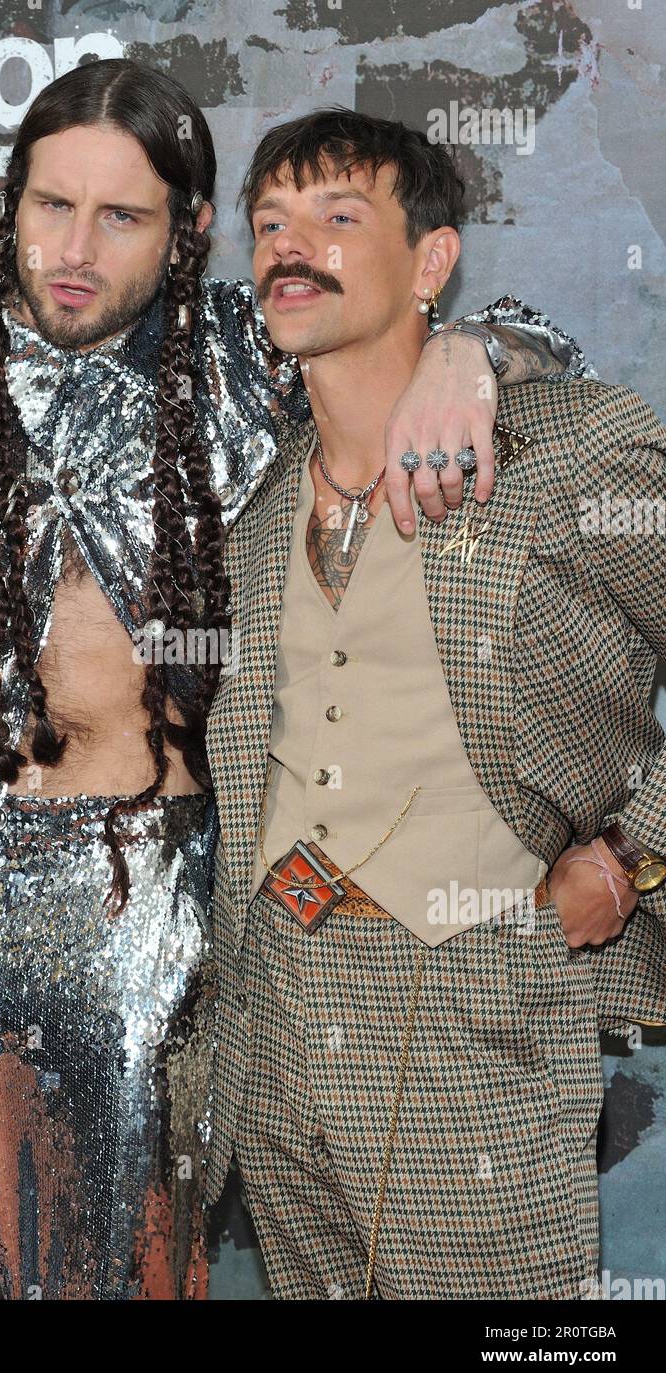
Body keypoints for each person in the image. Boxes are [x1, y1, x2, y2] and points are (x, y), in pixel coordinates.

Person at [0, 61, 590, 1300]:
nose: (73, 249)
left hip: (131, 915)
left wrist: (464, 358)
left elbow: (525, 340)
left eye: (119, 217)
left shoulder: (249, 358)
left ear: (185, 231)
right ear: (8, 207)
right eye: (48, 207)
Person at [203, 105, 666, 1300]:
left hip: (482, 1004)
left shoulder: (568, 450)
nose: (287, 246)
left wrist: (630, 855)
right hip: (274, 1015)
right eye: (267, 223)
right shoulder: (249, 514)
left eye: (335, 216)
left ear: (432, 262)